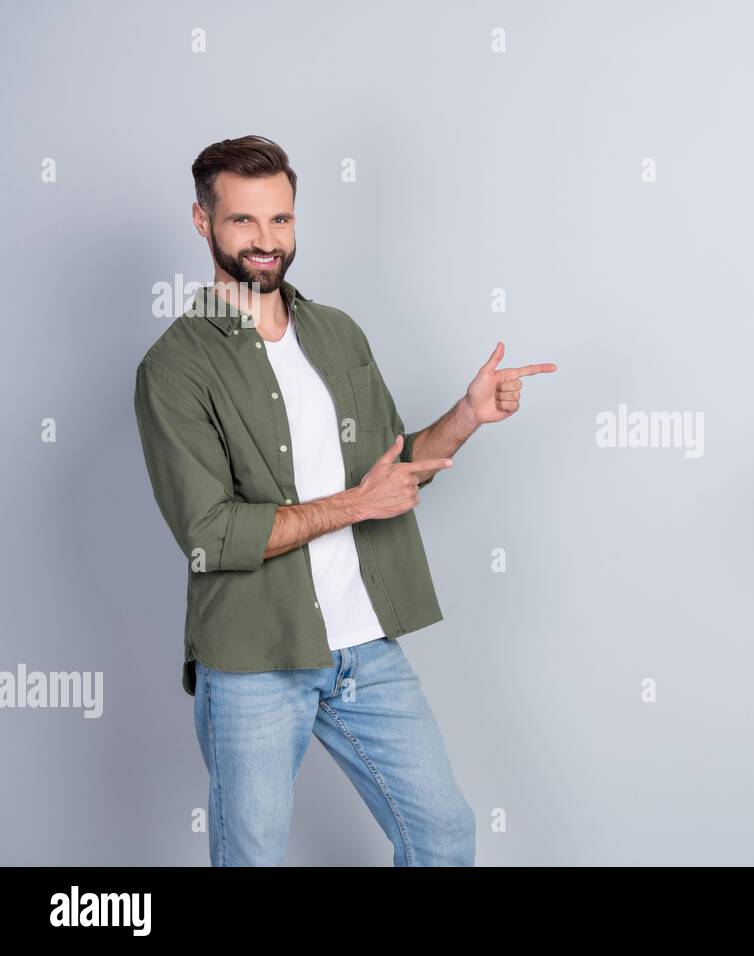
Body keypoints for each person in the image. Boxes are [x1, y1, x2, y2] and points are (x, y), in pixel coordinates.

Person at [133, 135, 557, 866]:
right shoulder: (175, 367)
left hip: (364, 647)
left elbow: (393, 466)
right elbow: (210, 533)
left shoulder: (336, 333)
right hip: (254, 658)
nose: (266, 243)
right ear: (204, 222)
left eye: (281, 221)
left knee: (443, 835)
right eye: (243, 222)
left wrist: (466, 414)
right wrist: (355, 505)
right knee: (253, 856)